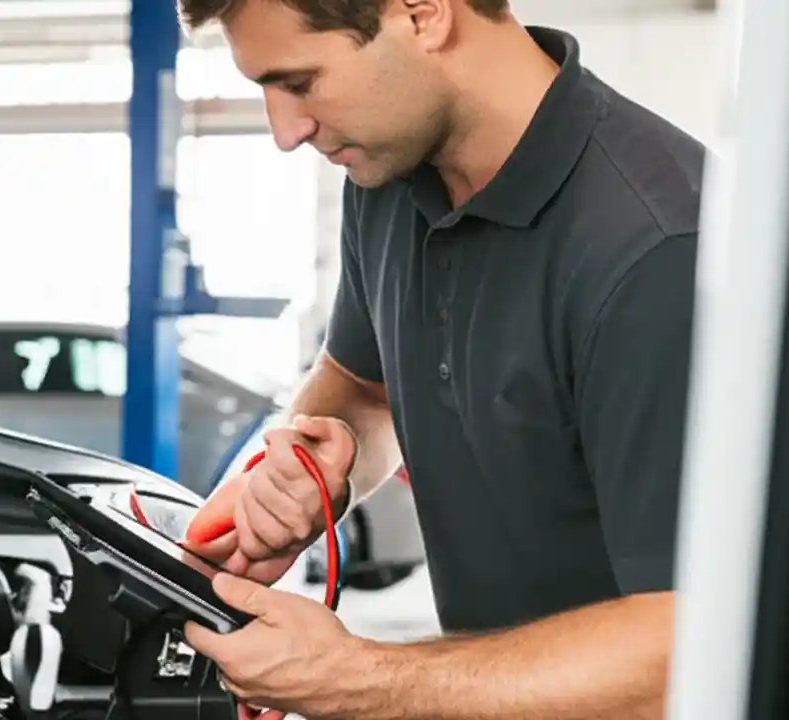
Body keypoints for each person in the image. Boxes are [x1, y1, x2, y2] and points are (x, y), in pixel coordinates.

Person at [176, 1, 705, 718]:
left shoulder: (656, 250)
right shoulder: (387, 178)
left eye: (299, 83)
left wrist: (353, 678)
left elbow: (683, 653)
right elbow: (364, 386)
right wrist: (313, 472)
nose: (285, 131)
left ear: (423, 14)